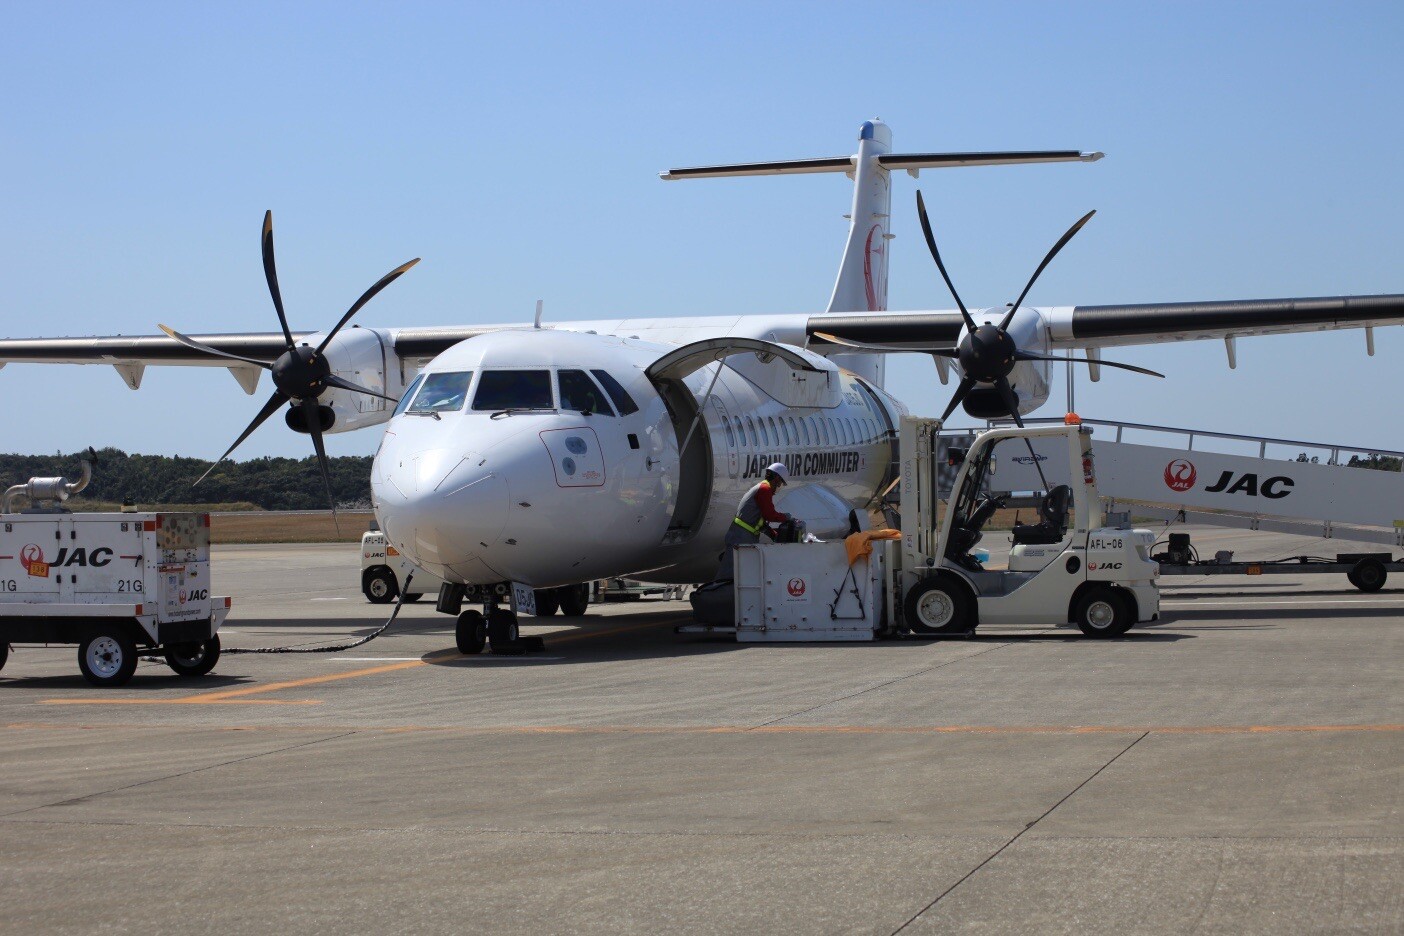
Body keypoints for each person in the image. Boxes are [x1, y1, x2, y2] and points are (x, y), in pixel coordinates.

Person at [715, 462, 792, 581]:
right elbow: (769, 515)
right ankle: (716, 595)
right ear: (777, 478)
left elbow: (759, 520)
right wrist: (786, 517)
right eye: (781, 483)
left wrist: (772, 533)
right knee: (728, 574)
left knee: (742, 573)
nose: (779, 486)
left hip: (744, 535)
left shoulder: (762, 488)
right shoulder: (765, 489)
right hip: (741, 536)